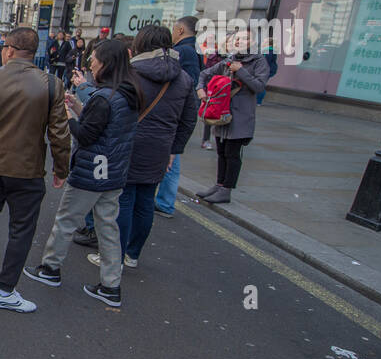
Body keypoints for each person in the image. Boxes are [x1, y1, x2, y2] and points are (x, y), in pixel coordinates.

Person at [24, 39, 142, 308]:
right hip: (114, 172)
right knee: (107, 228)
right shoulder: (126, 93)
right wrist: (79, 107)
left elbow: (88, 135)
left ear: (107, 63)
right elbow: (107, 128)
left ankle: (50, 269)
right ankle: (111, 285)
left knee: (67, 219)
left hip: (92, 171)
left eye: (94, 59)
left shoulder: (104, 98)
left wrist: (68, 117)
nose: (90, 63)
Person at [0, 27, 71, 312]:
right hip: (28, 170)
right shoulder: (51, 84)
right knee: (21, 230)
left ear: (9, 50)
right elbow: (60, 133)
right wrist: (62, 168)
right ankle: (6, 289)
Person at [85, 25, 197, 271]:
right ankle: (132, 254)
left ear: (140, 45)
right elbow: (189, 119)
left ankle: (114, 256)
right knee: (146, 200)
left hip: (127, 143)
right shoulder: (184, 78)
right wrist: (174, 149)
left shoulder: (130, 74)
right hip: (160, 147)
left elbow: (109, 106)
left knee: (123, 200)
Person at [197, 31, 270, 204]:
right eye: (236, 38)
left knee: (232, 153)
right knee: (221, 151)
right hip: (221, 112)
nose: (238, 41)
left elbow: (259, 87)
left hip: (241, 116)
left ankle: (226, 190)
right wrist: (200, 89)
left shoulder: (258, 61)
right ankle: (219, 184)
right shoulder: (229, 59)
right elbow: (204, 74)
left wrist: (241, 71)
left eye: (244, 38)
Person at [153, 15, 202, 217]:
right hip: (179, 109)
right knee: (171, 154)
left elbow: (185, 83)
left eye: (174, 29)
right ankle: (164, 201)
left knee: (171, 156)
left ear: (180, 30)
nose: (172, 33)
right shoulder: (192, 50)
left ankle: (165, 202)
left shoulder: (184, 51)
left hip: (176, 110)